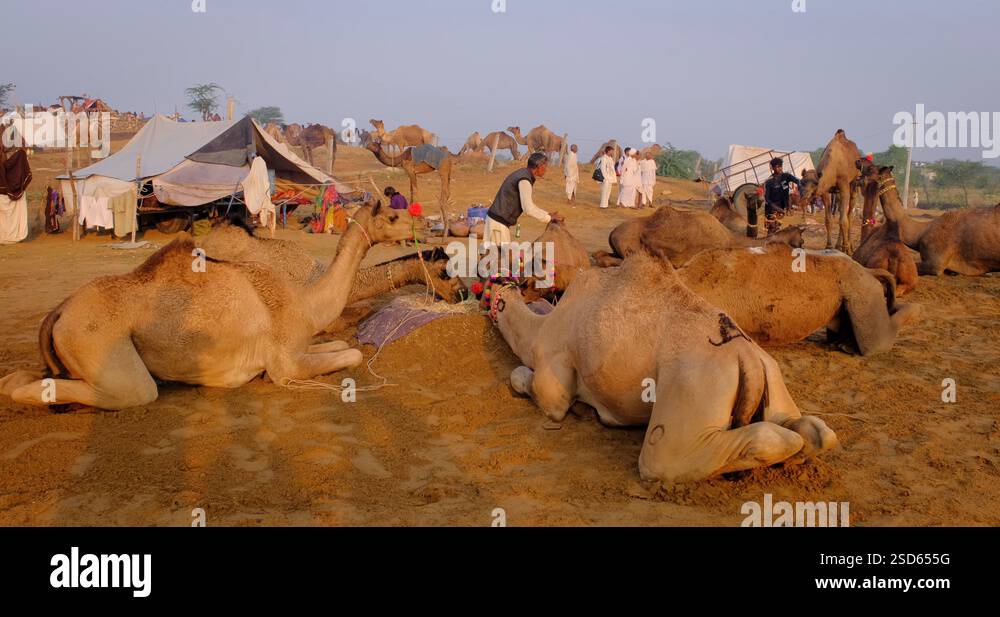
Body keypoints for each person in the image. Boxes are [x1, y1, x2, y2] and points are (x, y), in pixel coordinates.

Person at [484, 152, 563, 247]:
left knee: (492, 257)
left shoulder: (523, 173)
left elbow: (529, 205)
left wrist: (547, 214)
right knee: (500, 259)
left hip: (496, 221)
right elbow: (528, 208)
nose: (546, 169)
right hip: (498, 224)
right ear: (539, 166)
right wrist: (548, 218)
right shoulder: (524, 180)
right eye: (545, 166)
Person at [763, 157, 800, 233]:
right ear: (772, 168)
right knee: (771, 229)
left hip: (781, 208)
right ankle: (768, 243)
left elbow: (797, 181)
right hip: (771, 208)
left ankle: (773, 243)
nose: (779, 168)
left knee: (777, 228)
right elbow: (767, 198)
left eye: (780, 166)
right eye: (777, 167)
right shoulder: (769, 181)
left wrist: (788, 206)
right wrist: (776, 208)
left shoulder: (786, 176)